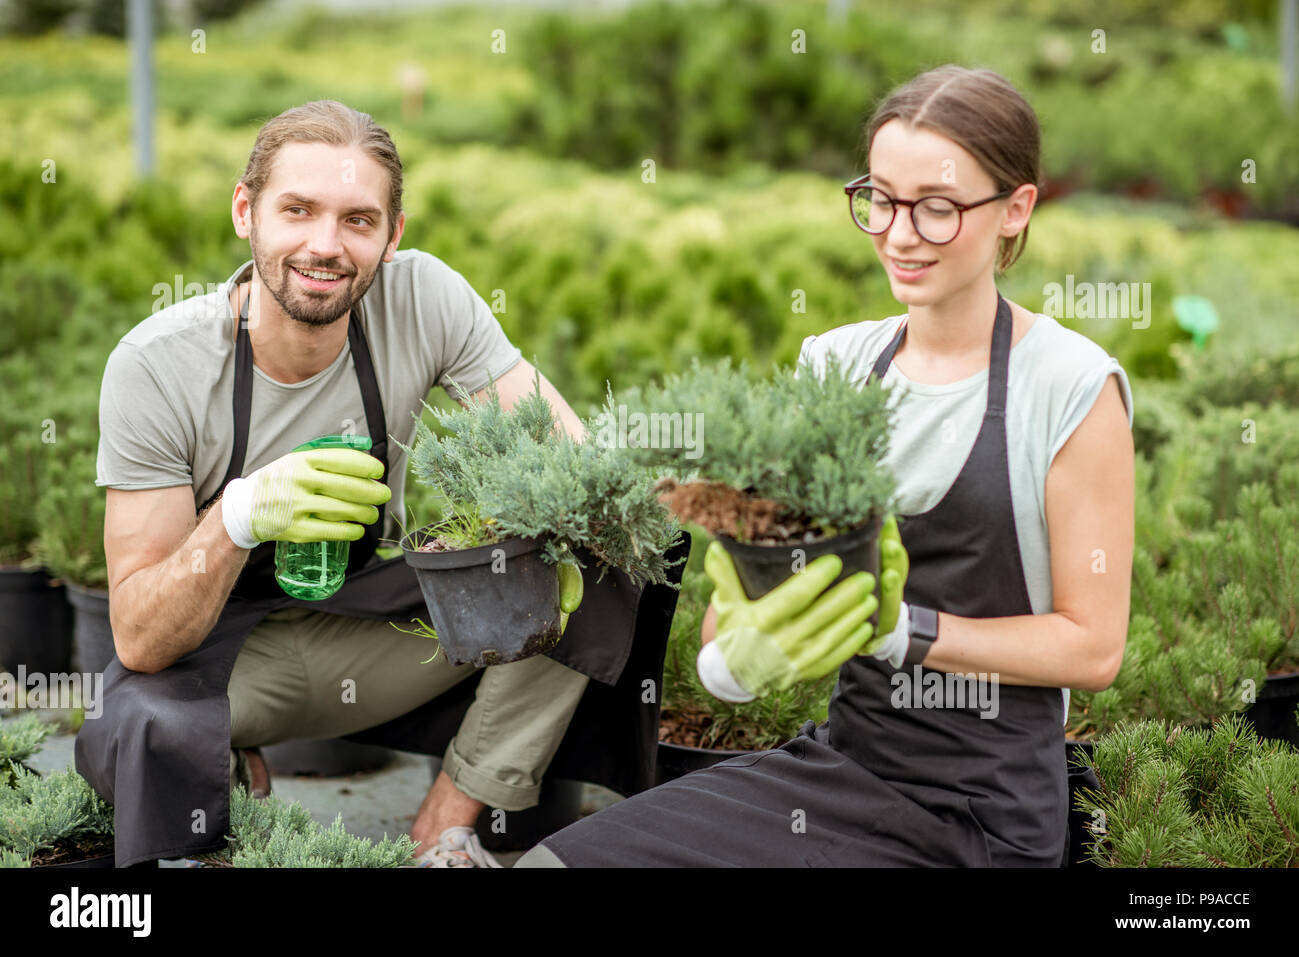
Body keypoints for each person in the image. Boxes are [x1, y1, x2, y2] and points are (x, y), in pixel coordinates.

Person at [517, 65, 1135, 867]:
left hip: (984, 817)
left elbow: (1092, 648)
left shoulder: (1072, 387)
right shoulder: (838, 364)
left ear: (1015, 208)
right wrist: (735, 653)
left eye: (938, 208)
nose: (899, 233)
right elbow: (747, 594)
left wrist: (900, 631)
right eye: (879, 197)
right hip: (840, 769)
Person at [76, 100, 609, 869]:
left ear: (392, 236)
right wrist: (239, 513)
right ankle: (221, 789)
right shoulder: (158, 366)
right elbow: (138, 632)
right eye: (297, 210)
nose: (324, 245)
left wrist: (540, 532)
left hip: (367, 626)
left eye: (358, 220)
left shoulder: (423, 298)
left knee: (596, 559)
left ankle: (446, 825)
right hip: (224, 653)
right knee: (141, 722)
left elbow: (577, 466)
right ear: (245, 212)